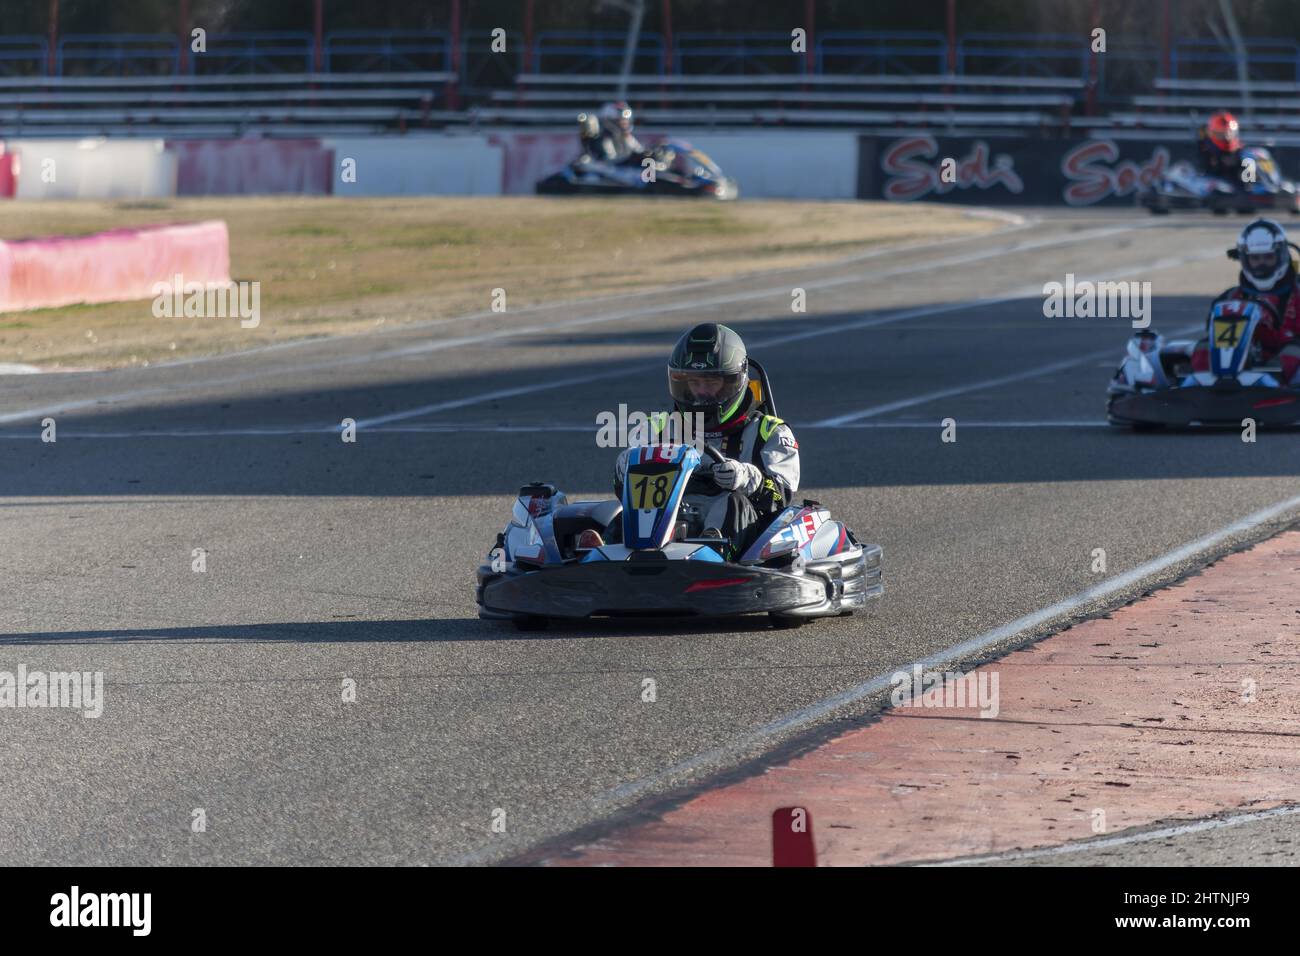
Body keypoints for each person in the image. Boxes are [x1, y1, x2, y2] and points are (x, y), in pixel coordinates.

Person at [612, 323, 800, 556]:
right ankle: (609, 551)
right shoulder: (658, 427)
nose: (701, 392)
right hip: (668, 516)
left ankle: (714, 550)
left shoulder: (769, 432)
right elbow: (628, 491)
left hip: (736, 531)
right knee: (613, 511)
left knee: (733, 503)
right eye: (694, 382)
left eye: (711, 383)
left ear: (735, 381)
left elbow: (780, 499)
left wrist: (747, 478)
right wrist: (625, 469)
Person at [1192, 218, 1300, 384]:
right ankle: (1197, 391)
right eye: (1255, 259)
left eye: (1267, 257)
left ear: (1282, 255)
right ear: (1244, 259)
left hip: (1285, 370)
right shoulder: (1229, 298)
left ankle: (1278, 394)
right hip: (1238, 363)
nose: (1261, 264)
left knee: (1293, 352)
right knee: (1202, 349)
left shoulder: (1297, 293)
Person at [1197, 110, 1244, 184]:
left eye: (1230, 133)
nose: (1227, 137)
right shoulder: (1207, 148)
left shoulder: (1239, 149)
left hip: (1237, 184)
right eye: (1222, 133)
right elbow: (1204, 170)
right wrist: (1221, 161)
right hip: (1215, 184)